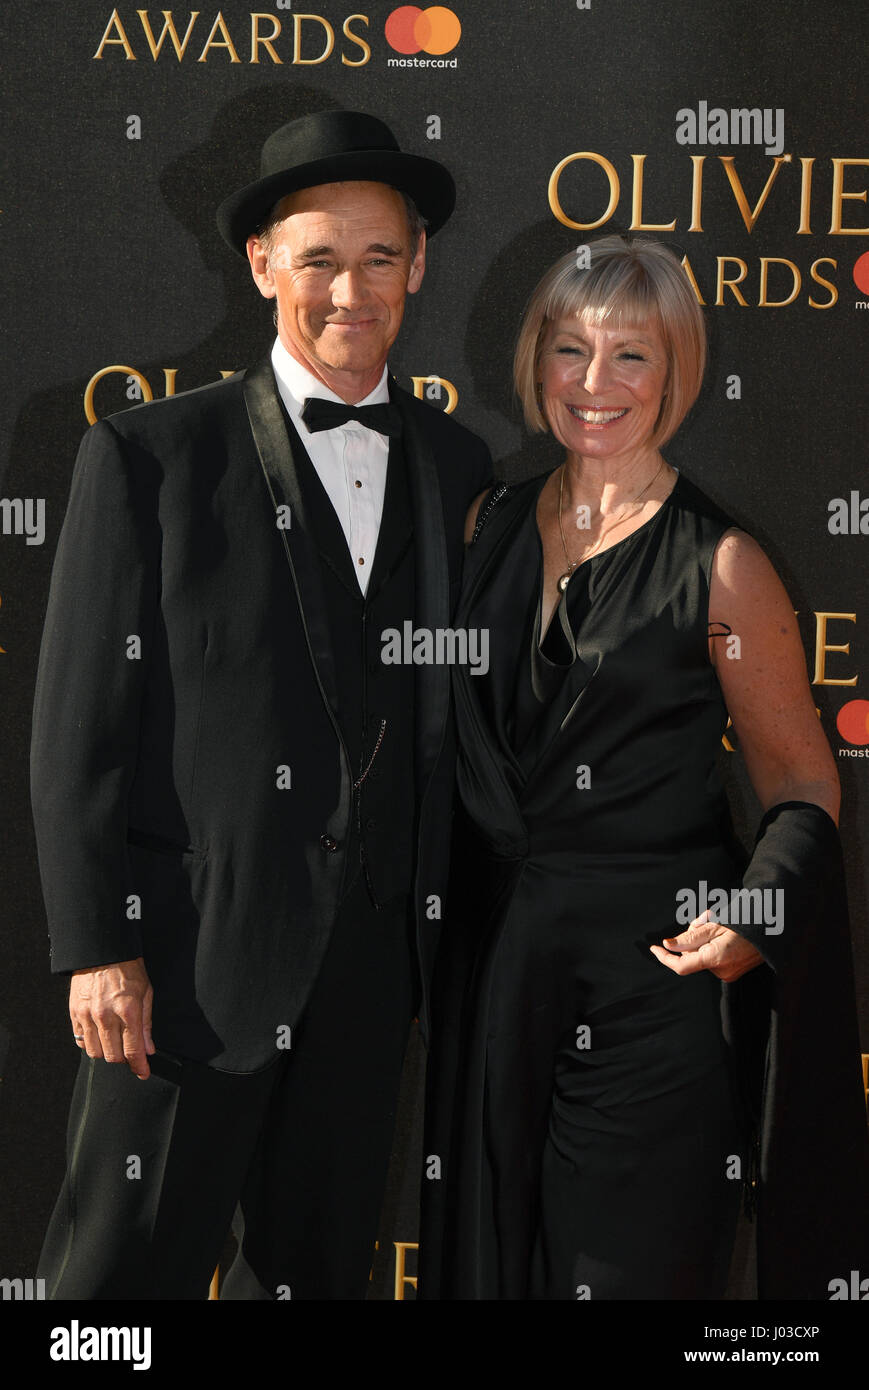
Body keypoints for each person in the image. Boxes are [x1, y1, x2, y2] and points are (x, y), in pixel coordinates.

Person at [30, 109, 493, 1300]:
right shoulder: (147, 458)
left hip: (366, 981)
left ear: (420, 266)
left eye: (381, 256)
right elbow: (77, 727)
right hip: (179, 974)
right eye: (321, 257)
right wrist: (97, 947)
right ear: (261, 265)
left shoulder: (456, 468)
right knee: (112, 1291)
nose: (352, 289)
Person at [419, 234, 869, 1300]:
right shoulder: (489, 523)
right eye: (569, 349)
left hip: (649, 991)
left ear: (675, 373)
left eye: (630, 356)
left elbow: (803, 780)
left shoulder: (719, 566)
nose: (592, 383)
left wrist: (755, 910)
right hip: (495, 982)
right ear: (534, 360)